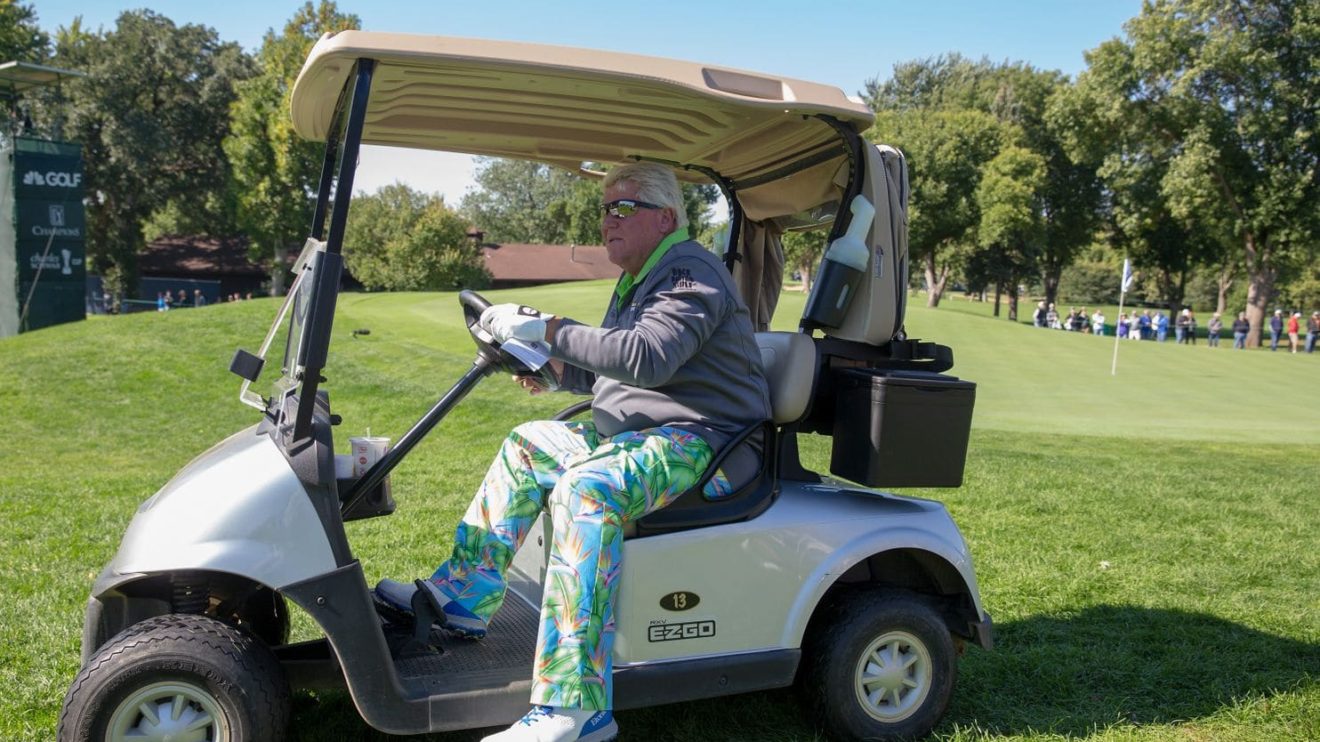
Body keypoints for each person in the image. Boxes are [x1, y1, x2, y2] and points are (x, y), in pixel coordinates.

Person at [373, 163, 771, 742]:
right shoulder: (641, 278)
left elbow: (646, 358)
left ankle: (576, 708)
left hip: (704, 445)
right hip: (643, 436)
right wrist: (555, 372)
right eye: (604, 209)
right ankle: (463, 595)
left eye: (623, 208)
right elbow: (615, 378)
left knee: (588, 488)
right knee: (529, 443)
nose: (607, 219)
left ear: (666, 217)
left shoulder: (691, 274)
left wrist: (548, 326)